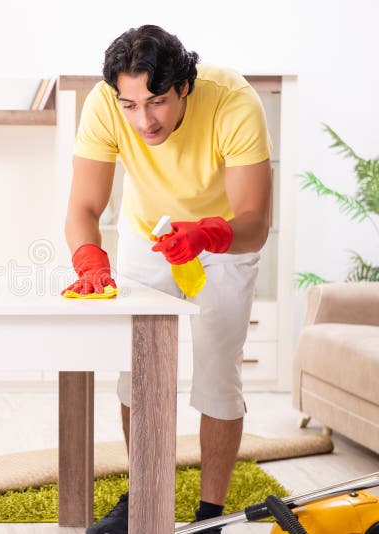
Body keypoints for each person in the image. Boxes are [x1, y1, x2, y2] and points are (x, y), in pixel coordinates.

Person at [63, 25, 272, 534]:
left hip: (222, 239)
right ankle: (144, 498)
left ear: (184, 86)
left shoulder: (233, 102)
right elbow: (84, 207)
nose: (144, 120)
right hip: (149, 233)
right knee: (138, 371)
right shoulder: (104, 104)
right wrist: (91, 260)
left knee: (218, 375)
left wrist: (207, 234)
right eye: (131, 105)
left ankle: (209, 518)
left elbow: (255, 223)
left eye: (156, 102)